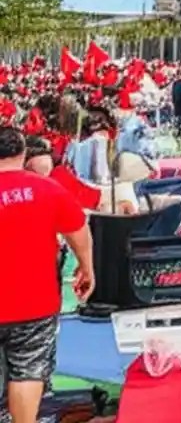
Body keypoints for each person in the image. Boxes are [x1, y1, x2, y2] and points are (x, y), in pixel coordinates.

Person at [0, 126, 94, 423]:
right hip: (34, 301)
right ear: (23, 154)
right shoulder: (47, 189)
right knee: (28, 369)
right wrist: (86, 267)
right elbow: (78, 231)